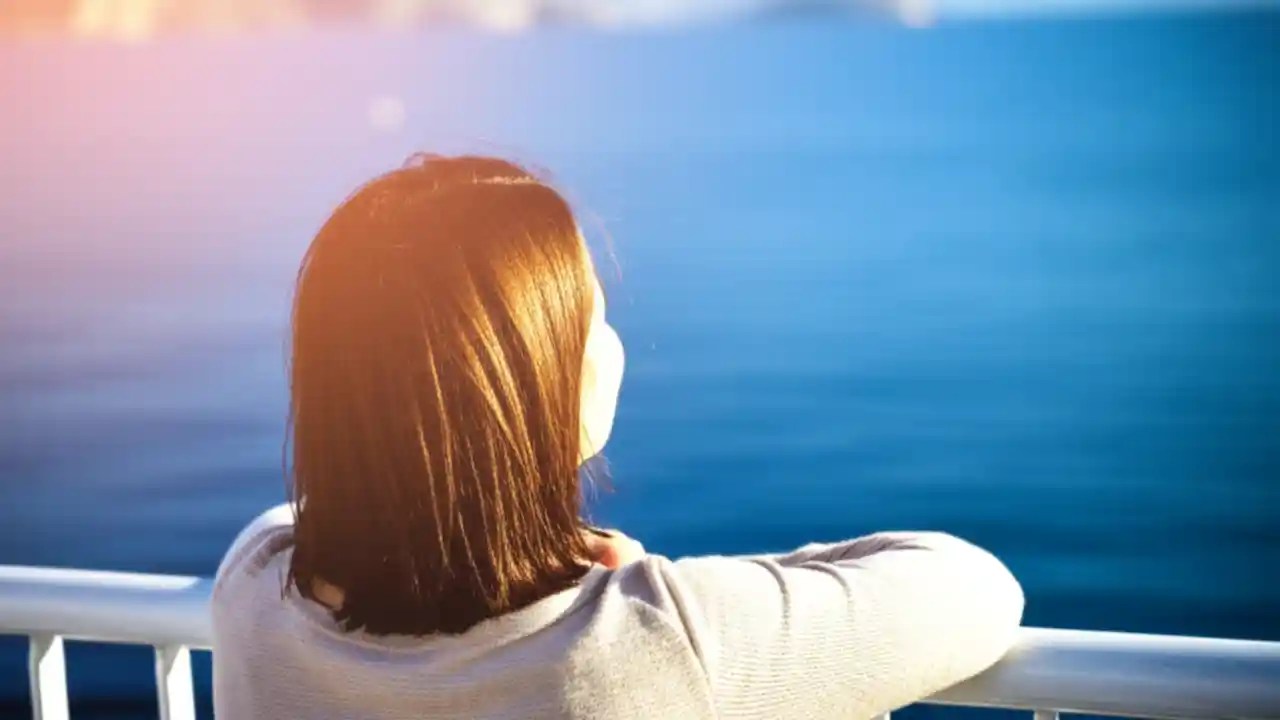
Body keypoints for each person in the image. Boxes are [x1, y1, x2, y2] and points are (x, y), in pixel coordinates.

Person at [211, 154, 1024, 719]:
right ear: (538, 390)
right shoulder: (660, 644)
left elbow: (306, 512)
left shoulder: (251, 597)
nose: (613, 340)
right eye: (594, 320)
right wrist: (656, 586)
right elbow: (978, 588)